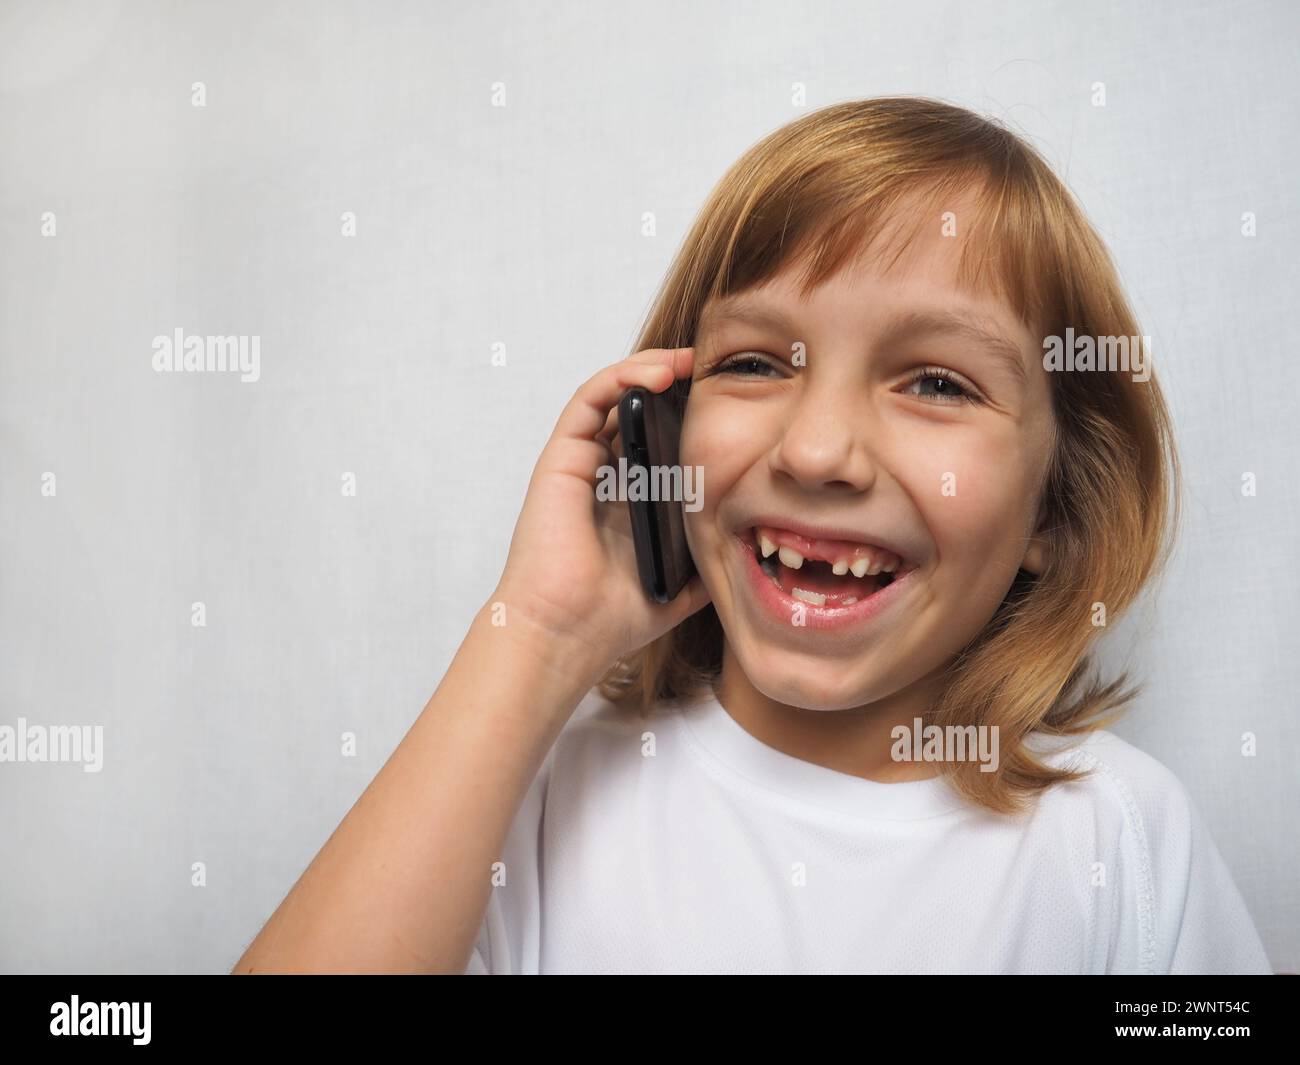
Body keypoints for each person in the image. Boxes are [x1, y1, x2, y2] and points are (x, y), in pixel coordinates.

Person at [233, 97, 1273, 975]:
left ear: (1052, 509)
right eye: (757, 364)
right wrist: (539, 635)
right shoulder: (530, 807)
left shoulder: (1121, 840)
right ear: (664, 431)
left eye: (936, 383)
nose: (818, 451)